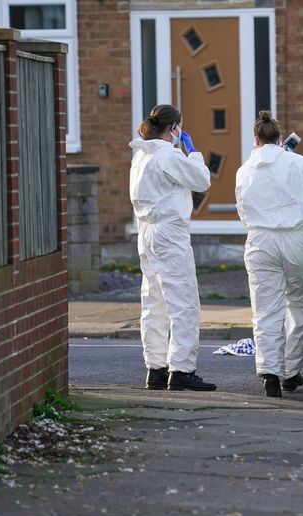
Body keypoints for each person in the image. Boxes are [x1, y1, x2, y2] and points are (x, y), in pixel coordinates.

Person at [235, 111, 303, 398]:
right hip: (299, 237)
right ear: (281, 137)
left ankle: (270, 373)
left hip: (261, 239)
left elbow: (243, 211)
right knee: (300, 306)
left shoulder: (245, 170)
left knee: (266, 309)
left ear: (256, 139)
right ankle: (291, 370)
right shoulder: (302, 164)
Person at [129, 104, 216, 391]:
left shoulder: (140, 155)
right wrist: (193, 153)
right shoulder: (167, 154)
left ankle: (155, 368)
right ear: (174, 128)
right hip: (169, 231)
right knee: (183, 302)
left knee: (154, 302)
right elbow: (202, 180)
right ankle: (182, 369)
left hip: (147, 232)